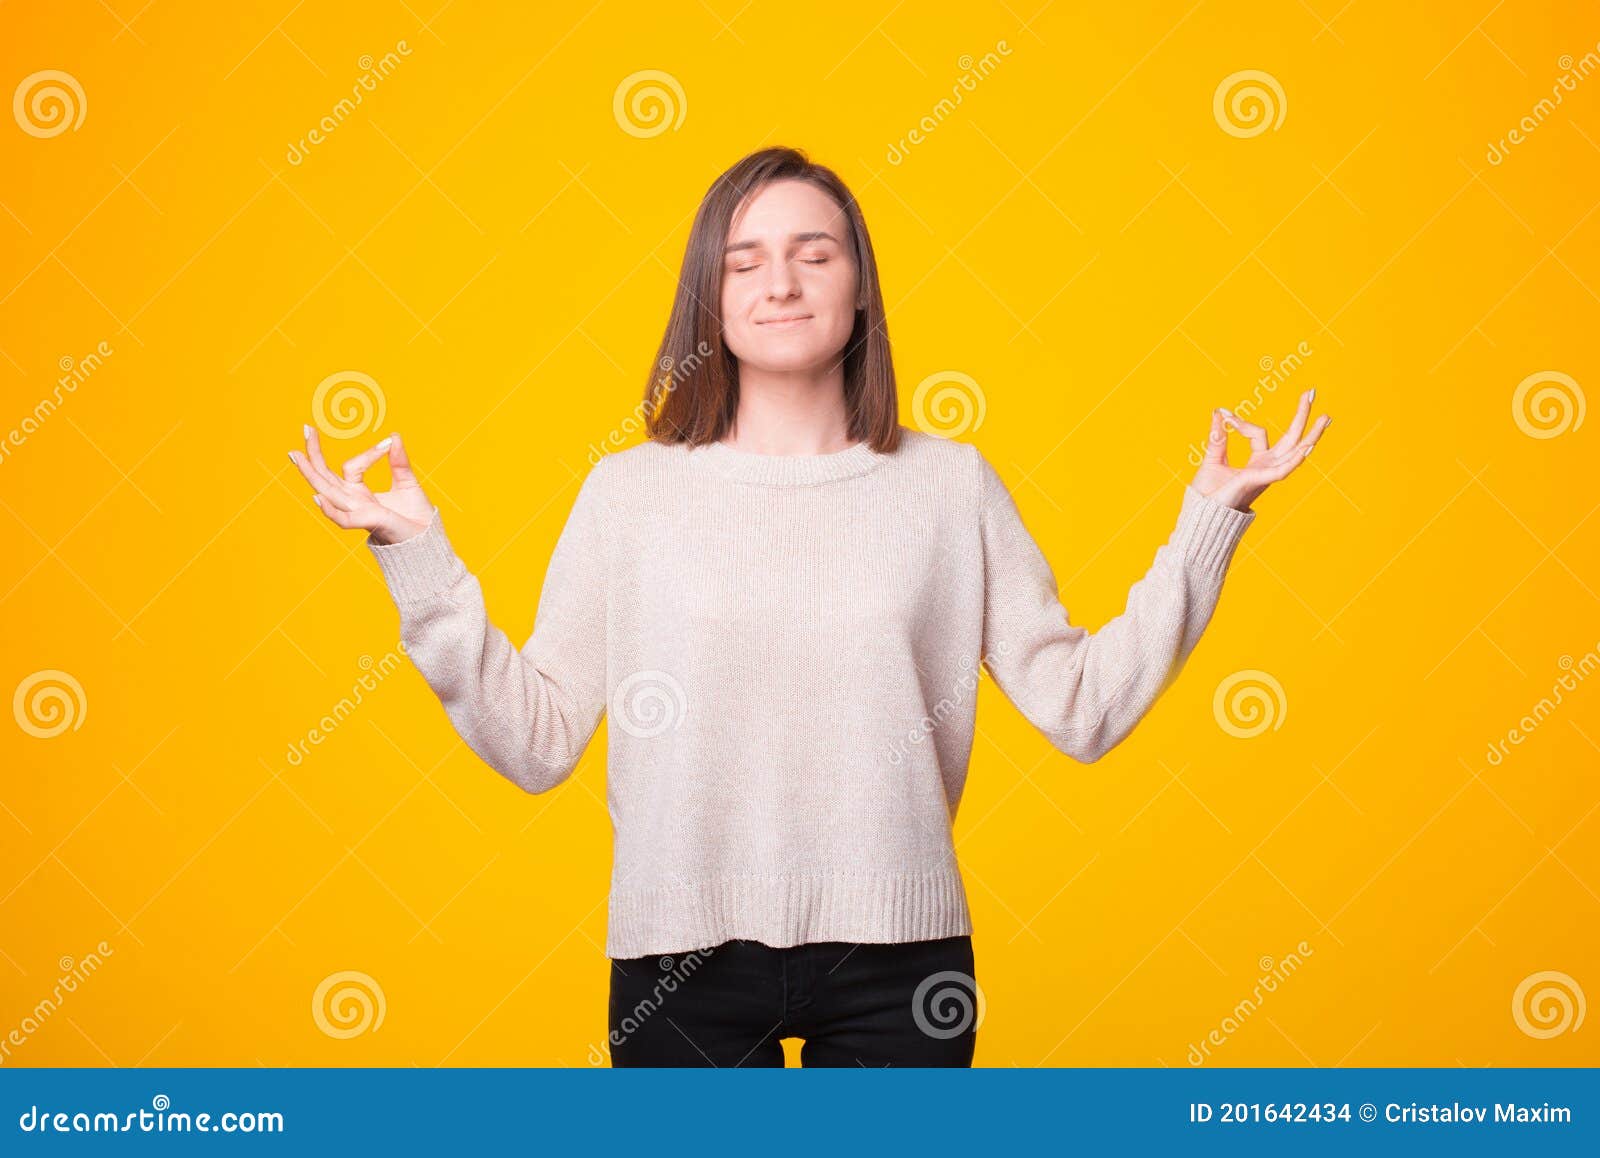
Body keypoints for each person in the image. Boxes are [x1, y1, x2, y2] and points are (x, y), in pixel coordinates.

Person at [287, 145, 1331, 1067]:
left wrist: (1208, 520)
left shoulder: (948, 484)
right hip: (675, 963)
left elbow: (1082, 708)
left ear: (861, 286)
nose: (779, 283)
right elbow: (537, 740)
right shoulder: (630, 493)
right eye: (743, 262)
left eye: (814, 253)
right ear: (709, 296)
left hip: (902, 967)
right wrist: (414, 553)